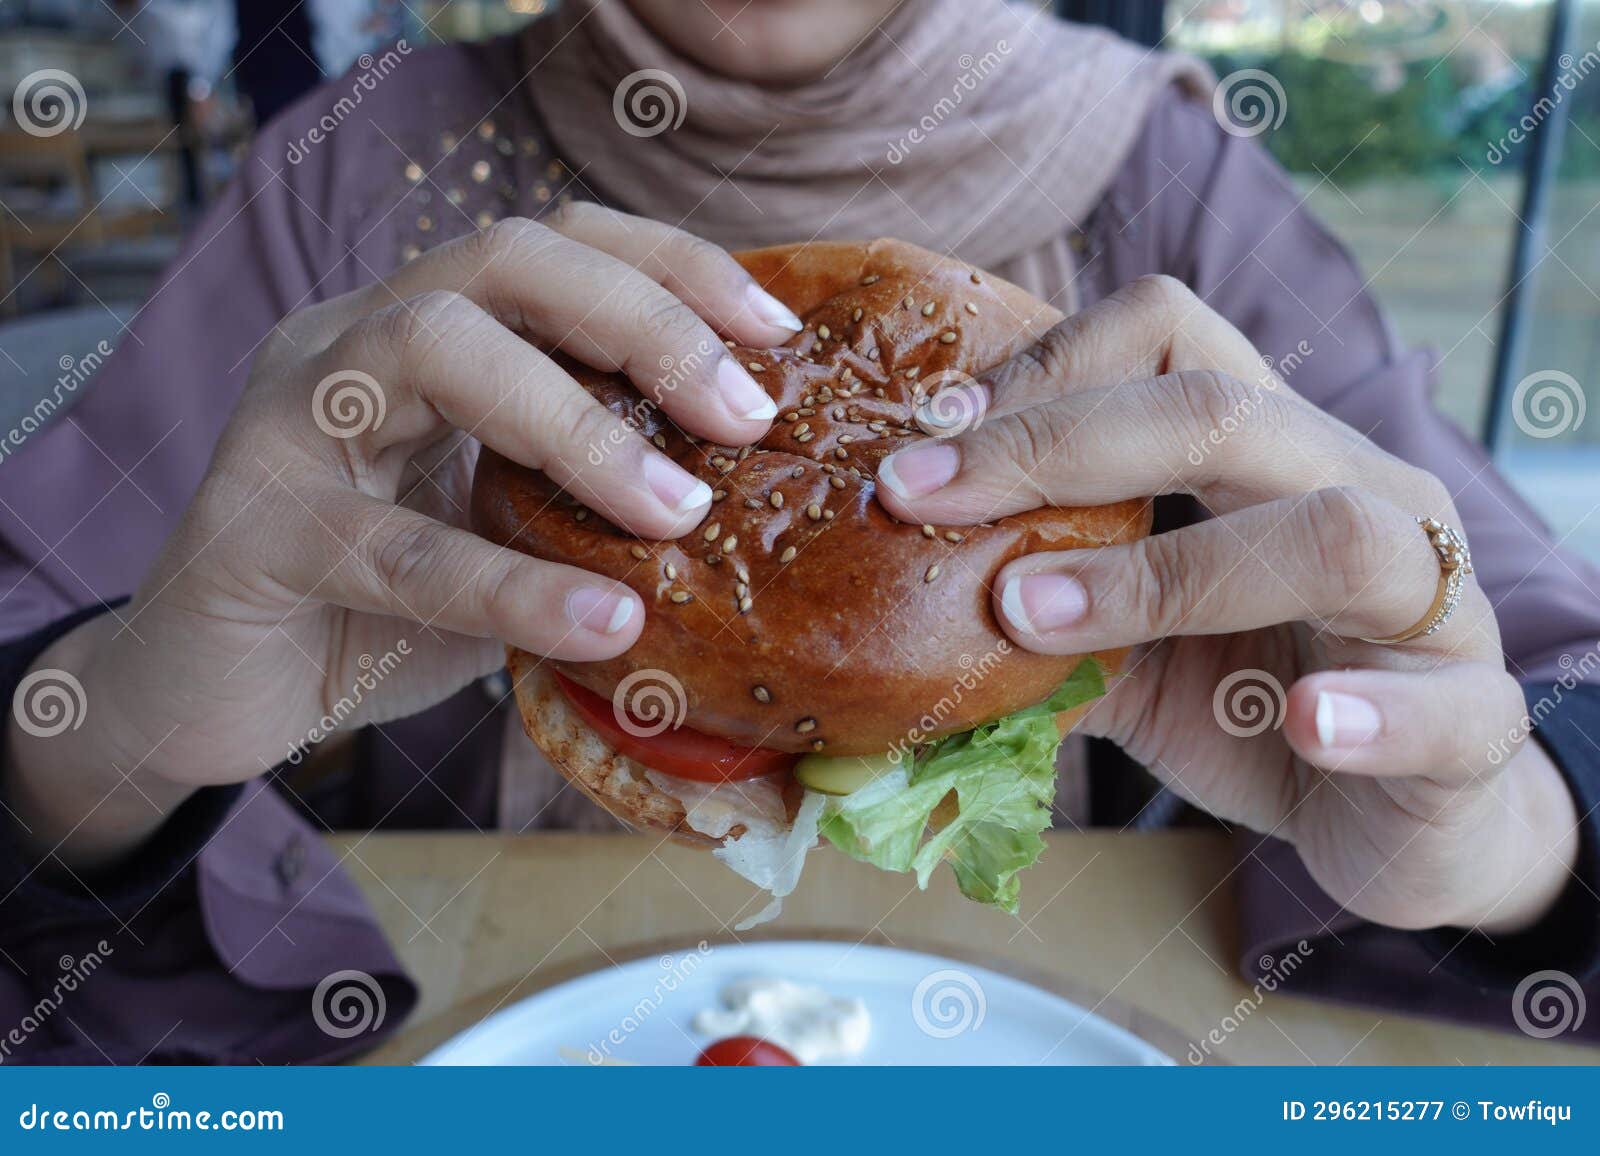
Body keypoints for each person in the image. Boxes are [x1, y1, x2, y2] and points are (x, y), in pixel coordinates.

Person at [2, 0, 1598, 1063]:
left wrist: (1504, 837)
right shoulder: (363, 163)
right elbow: (48, 622)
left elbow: (1516, 644)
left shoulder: (1178, 181)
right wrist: (111, 738)